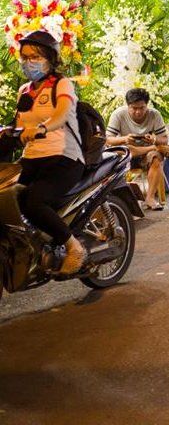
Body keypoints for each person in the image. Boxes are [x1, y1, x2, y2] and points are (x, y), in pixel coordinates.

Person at [14, 31, 86, 275]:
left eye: (34, 56)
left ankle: (73, 246)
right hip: (32, 159)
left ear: (49, 58)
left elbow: (63, 114)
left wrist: (43, 127)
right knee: (7, 197)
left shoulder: (61, 84)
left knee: (33, 201)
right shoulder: (24, 90)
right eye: (24, 57)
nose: (28, 62)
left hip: (64, 159)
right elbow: (19, 127)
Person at [106, 88, 169, 211]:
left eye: (142, 108)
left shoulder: (154, 115)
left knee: (156, 156)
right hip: (127, 154)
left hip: (146, 154)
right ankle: (122, 200)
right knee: (125, 149)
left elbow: (164, 140)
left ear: (147, 105)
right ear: (127, 105)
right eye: (134, 108)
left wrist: (154, 140)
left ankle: (150, 198)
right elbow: (108, 140)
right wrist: (125, 138)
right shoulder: (118, 114)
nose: (138, 112)